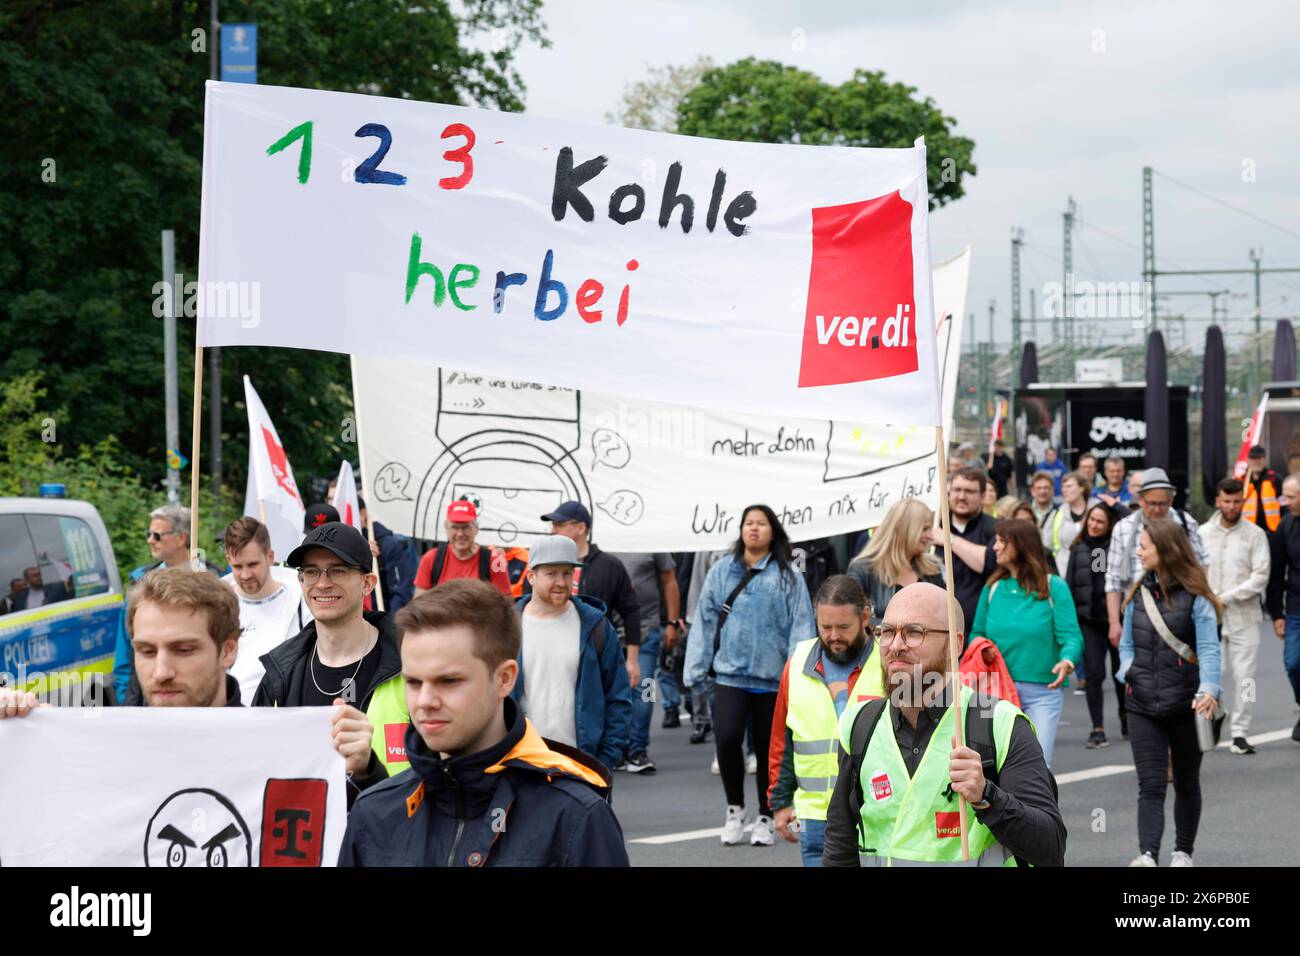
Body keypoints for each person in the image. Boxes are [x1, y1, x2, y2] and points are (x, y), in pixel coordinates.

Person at [338, 579, 629, 866]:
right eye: (413, 682)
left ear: (504, 679)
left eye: (449, 681)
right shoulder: (373, 813)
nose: (425, 701)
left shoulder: (575, 819)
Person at [822, 582, 1067, 867]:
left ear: (956, 643)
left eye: (914, 632)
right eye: (887, 632)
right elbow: (840, 847)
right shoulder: (860, 724)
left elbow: (1050, 848)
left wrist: (986, 797)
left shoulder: (1000, 725)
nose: (896, 646)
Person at [684, 504, 816, 847]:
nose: (754, 528)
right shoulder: (721, 570)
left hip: (772, 679)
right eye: (748, 523)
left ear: (773, 531)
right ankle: (734, 809)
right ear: (741, 530)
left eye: (761, 523)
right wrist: (695, 666)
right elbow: (705, 619)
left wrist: (796, 673)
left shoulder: (789, 575)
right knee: (727, 739)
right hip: (729, 674)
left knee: (766, 750)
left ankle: (765, 815)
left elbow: (801, 625)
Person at [252, 522, 409, 803]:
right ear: (301, 581)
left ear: (367, 583)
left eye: (338, 570)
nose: (323, 583)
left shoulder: (410, 665)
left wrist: (369, 770)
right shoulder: (279, 676)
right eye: (312, 571)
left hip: (393, 828)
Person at [1118, 520, 1223, 867]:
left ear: (1165, 550)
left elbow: (1209, 648)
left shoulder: (1196, 597)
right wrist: (1128, 671)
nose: (1138, 551)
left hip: (1187, 703)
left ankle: (1183, 853)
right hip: (1141, 703)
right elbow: (1126, 645)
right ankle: (1147, 854)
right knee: (1150, 784)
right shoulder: (1137, 593)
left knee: (1187, 782)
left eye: (1144, 546)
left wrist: (1209, 689)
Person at [1, 568, 245, 715]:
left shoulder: (263, 752)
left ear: (227, 650)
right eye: (146, 651)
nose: (161, 673)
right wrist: (28, 726)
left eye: (183, 650)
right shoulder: (108, 745)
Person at [769, 576, 883, 866]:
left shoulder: (888, 662)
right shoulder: (797, 663)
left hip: (876, 812)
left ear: (865, 617)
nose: (833, 636)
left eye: (843, 627)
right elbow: (782, 740)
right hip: (814, 818)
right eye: (825, 627)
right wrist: (780, 802)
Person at [512, 535, 631, 772]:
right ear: (531, 576)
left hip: (582, 765)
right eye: (551, 573)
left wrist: (605, 760)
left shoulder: (596, 626)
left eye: (567, 573)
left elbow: (618, 696)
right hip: (521, 765)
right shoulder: (506, 627)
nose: (561, 582)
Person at [970, 519, 1082, 768]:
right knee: (993, 766)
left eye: (1002, 541)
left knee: (1037, 767)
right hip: (994, 692)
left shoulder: (1055, 587)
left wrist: (1067, 660)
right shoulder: (992, 588)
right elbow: (977, 633)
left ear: (1021, 545)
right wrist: (982, 649)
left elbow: (1071, 635)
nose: (995, 547)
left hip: (1042, 691)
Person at [112, 504, 221, 701]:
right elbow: (125, 655)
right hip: (149, 705)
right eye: (148, 534)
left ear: (181, 538)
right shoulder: (139, 584)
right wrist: (126, 703)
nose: (150, 540)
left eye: (157, 535)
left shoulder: (216, 582)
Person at [1200, 478, 1270, 755]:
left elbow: (1261, 576)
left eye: (1236, 501)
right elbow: (1194, 571)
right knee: (1211, 675)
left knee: (1246, 678)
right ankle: (1217, 714)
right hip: (1209, 618)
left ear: (1243, 501)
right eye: (1226, 501)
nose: (1231, 506)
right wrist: (1208, 599)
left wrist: (1226, 597)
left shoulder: (1255, 534)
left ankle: (1241, 732)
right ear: (1218, 501)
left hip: (1245, 617)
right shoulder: (1203, 533)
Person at [1106, 468, 1211, 653]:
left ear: (1171, 501)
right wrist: (1114, 622)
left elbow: (1201, 564)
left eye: (1162, 504)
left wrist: (1202, 604)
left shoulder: (1184, 522)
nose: (1156, 509)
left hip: (1180, 612)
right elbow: (1113, 579)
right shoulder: (1123, 528)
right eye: (1151, 503)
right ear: (1140, 500)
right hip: (1137, 611)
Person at [543, 501, 643, 691]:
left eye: (559, 525)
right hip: (551, 655)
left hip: (597, 658)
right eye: (552, 525)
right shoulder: (543, 565)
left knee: (643, 698)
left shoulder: (610, 565)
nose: (552, 530)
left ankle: (659, 704)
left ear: (581, 528)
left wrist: (632, 660)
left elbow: (631, 611)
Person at [221, 516, 312, 703]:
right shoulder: (217, 605)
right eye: (237, 566)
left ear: (270, 557)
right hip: (233, 713)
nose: (245, 574)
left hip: (289, 711)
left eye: (253, 564)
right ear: (228, 560)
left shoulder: (304, 599)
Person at [608, 550, 683, 772]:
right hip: (608, 630)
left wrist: (672, 623)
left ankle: (638, 749)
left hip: (646, 630)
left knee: (645, 689)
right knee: (612, 693)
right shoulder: (601, 539)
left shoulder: (652, 540)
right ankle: (616, 749)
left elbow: (669, 580)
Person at [1063, 502, 1126, 746]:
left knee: (1121, 673)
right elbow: (1070, 583)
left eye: (1100, 521)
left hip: (1114, 620)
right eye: (1091, 520)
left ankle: (1125, 717)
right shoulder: (1078, 547)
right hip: (1088, 621)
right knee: (1094, 674)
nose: (1094, 525)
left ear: (1110, 525)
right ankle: (1097, 728)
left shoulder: (1115, 547)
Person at [846, 498, 943, 627]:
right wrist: (899, 630)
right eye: (925, 529)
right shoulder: (862, 569)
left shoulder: (932, 568)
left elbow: (944, 617)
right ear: (904, 529)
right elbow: (853, 620)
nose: (930, 535)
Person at [935, 467, 998, 637]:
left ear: (983, 496)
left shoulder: (994, 528)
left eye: (969, 491)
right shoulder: (934, 526)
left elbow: (988, 562)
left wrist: (949, 539)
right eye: (957, 490)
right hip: (940, 627)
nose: (961, 496)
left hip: (981, 629)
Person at [413, 500, 511, 598]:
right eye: (454, 527)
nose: (460, 534)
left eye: (466, 527)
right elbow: (419, 602)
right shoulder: (431, 559)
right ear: (446, 530)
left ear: (476, 529)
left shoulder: (495, 561)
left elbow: (504, 603)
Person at [1265, 472, 1300, 742]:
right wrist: (1277, 613)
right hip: (1296, 608)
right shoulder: (1285, 526)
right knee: (1293, 663)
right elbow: (1276, 573)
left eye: (1290, 497)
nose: (1285, 502)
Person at [360, 497, 418, 613]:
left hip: (382, 616)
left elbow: (400, 593)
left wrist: (390, 625)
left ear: (363, 513)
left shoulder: (389, 545)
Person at [1043, 470, 1090, 559]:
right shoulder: (1057, 513)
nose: (1064, 490)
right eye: (1063, 487)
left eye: (1069, 486)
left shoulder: (1095, 510)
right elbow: (1046, 543)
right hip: (1063, 565)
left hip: (1092, 564)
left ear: (1082, 488)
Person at [1242, 445, 1282, 536]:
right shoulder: (1242, 481)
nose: (1256, 461)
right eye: (1253, 458)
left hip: (1272, 531)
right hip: (1248, 531)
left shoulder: (1274, 479)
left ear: (1264, 460)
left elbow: (1284, 504)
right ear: (1248, 460)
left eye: (1259, 458)